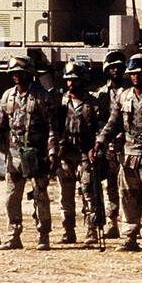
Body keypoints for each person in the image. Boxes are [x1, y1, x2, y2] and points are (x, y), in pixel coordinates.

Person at [0, 56, 58, 251]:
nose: (16, 77)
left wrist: (52, 151)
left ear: (29, 74)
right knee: (11, 197)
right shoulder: (8, 97)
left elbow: (51, 127)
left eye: (20, 73)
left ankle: (43, 235)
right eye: (13, 73)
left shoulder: (42, 97)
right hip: (14, 157)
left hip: (36, 155)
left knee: (40, 196)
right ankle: (13, 235)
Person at [93, 54, 142, 252]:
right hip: (128, 154)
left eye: (139, 73)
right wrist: (100, 142)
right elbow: (113, 122)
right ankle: (129, 236)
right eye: (132, 74)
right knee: (127, 196)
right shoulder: (124, 95)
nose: (135, 77)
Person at [56, 59, 104, 246]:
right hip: (66, 154)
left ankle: (91, 231)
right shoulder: (61, 102)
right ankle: (68, 231)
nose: (70, 83)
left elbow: (100, 129)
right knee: (65, 196)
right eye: (68, 80)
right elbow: (55, 126)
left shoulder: (93, 104)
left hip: (86, 154)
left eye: (74, 80)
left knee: (89, 193)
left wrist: (96, 148)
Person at [96, 49, 128, 239]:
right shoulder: (101, 93)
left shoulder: (130, 91)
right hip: (108, 146)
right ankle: (112, 222)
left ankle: (131, 224)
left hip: (127, 144)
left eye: (119, 67)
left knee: (130, 187)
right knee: (110, 186)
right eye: (112, 68)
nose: (115, 71)